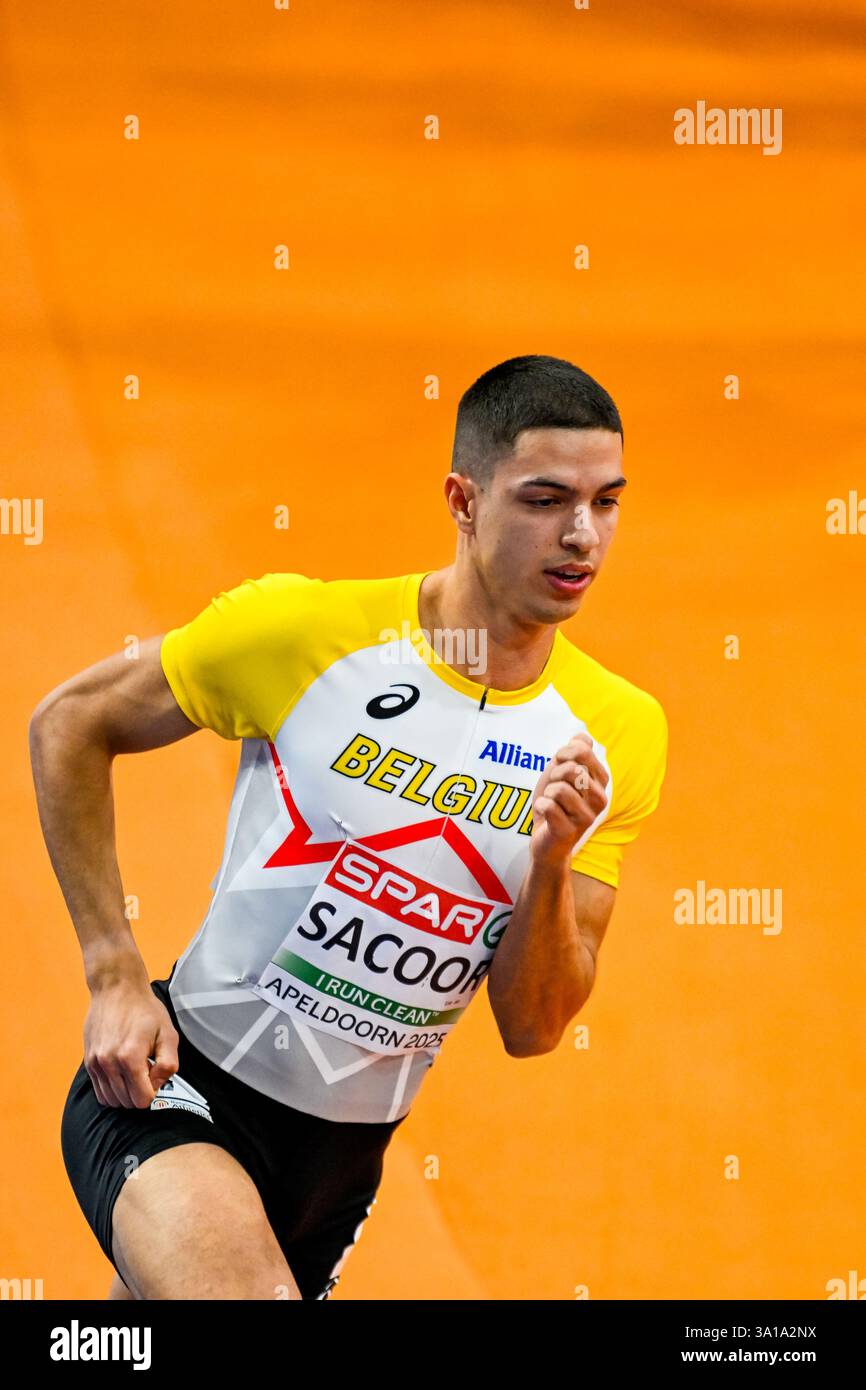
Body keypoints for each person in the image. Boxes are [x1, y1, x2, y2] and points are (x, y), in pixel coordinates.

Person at [30, 354, 668, 1301]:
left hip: (337, 1172)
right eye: (544, 499)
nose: (582, 535)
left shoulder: (616, 731)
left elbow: (534, 1027)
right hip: (175, 1093)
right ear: (462, 499)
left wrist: (549, 859)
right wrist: (115, 973)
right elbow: (71, 721)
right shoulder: (306, 634)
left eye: (607, 501)